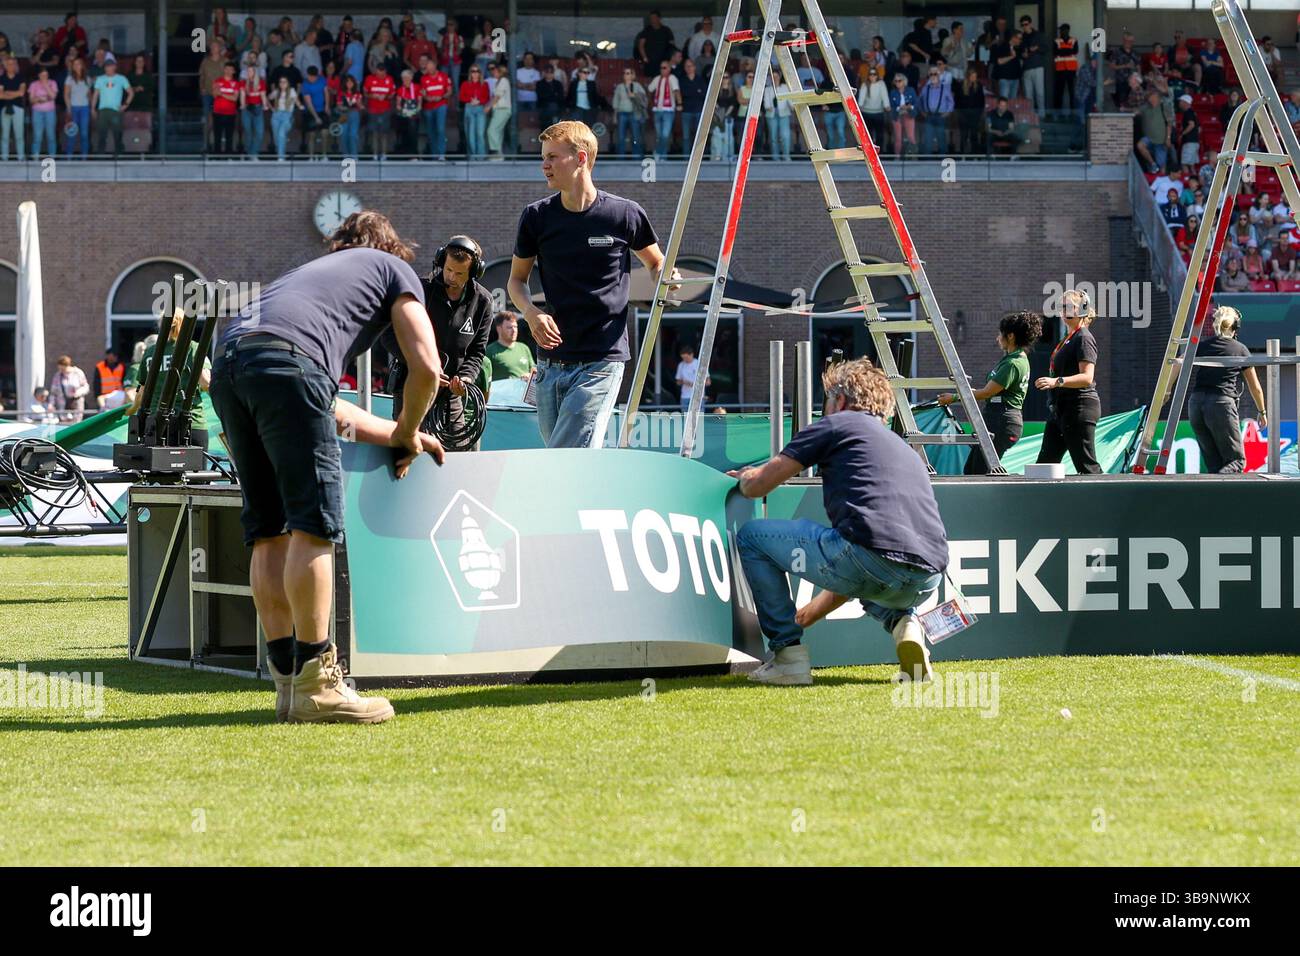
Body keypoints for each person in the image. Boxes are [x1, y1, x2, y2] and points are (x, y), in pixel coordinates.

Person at [210, 211, 444, 724]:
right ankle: (319, 683)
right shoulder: (391, 268)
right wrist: (409, 429)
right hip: (285, 366)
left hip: (229, 362)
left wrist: (400, 434)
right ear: (392, 250)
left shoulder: (304, 283)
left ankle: (288, 685)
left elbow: (320, 403)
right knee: (312, 526)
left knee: (267, 530)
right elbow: (428, 367)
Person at [730, 357, 949, 686]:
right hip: (927, 578)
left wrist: (744, 478)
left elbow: (760, 485)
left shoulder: (836, 424)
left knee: (752, 536)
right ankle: (907, 626)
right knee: (875, 574)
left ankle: (788, 657)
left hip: (869, 560)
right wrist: (812, 612)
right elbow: (875, 559)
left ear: (841, 400)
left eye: (827, 400)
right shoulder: (903, 448)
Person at [508, 121, 678, 448]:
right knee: (566, 461)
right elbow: (516, 280)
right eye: (543, 157)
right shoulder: (536, 217)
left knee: (568, 454)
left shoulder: (625, 214)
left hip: (601, 361)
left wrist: (666, 279)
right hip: (548, 365)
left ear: (581, 159)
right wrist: (530, 313)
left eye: (553, 157)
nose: (544, 165)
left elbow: (656, 262)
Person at [382, 235, 493, 444]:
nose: (451, 276)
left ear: (474, 272)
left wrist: (466, 378)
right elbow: (388, 333)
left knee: (456, 454)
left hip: (450, 395)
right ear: (442, 261)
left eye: (459, 273)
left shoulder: (484, 302)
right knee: (409, 449)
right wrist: (420, 364)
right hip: (411, 386)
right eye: (448, 269)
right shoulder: (419, 290)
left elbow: (477, 351)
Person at [939, 311, 1041, 474]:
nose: (997, 338)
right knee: (972, 469)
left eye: (1000, 334)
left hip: (1002, 421)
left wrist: (954, 398)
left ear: (1011, 336)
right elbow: (991, 392)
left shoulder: (1013, 363)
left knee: (979, 472)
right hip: (998, 418)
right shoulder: (1012, 359)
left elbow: (987, 393)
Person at [1187, 306, 1266, 474]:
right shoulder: (1240, 349)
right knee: (1236, 462)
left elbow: (1177, 363)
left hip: (1195, 405)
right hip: (1220, 405)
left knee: (1214, 465)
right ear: (1236, 326)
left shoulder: (1203, 346)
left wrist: (1167, 392)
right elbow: (1255, 387)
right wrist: (1262, 412)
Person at [1035, 289, 1102, 474]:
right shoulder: (1069, 339)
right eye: (1061, 307)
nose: (1063, 311)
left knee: (1087, 466)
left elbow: (1087, 377)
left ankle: (1105, 500)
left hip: (1079, 408)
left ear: (1082, 309)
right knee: (1044, 466)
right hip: (1061, 410)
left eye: (1068, 306)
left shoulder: (1084, 338)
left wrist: (1057, 381)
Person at [129, 308, 213, 447]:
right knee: (196, 468)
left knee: (161, 468)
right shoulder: (193, 348)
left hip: (158, 424)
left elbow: (142, 393)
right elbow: (205, 384)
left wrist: (132, 411)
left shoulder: (150, 353)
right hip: (191, 422)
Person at [486, 312, 536, 383]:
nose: (514, 330)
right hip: (501, 393)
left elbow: (534, 371)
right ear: (499, 329)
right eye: (509, 327)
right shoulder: (490, 350)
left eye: (515, 327)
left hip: (523, 392)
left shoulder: (524, 348)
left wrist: (529, 375)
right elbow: (485, 377)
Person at [0, 55, 27, 161]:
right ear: (5, 66)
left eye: (13, 64)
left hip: (18, 109)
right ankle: (4, 158)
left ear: (16, 65)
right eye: (9, 64)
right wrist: (14, 93)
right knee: (4, 135)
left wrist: (7, 93)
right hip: (4, 108)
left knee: (19, 135)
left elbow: (22, 93)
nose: (11, 66)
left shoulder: (21, 77)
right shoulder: (1, 78)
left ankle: (21, 158)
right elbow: (0, 95)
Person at [49, 355, 90, 422]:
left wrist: (79, 392)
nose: (62, 371)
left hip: (76, 405)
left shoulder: (78, 373)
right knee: (64, 425)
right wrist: (51, 404)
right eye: (60, 369)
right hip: (63, 406)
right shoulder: (58, 375)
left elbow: (86, 386)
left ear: (67, 365)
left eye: (63, 369)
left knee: (76, 424)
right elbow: (53, 392)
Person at [674, 343, 710, 412]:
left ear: (691, 355)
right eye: (683, 358)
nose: (685, 360)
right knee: (684, 418)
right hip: (685, 397)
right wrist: (684, 382)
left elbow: (708, 382)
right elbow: (678, 382)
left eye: (686, 358)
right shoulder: (681, 365)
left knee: (699, 419)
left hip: (698, 397)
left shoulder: (700, 364)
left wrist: (696, 384)